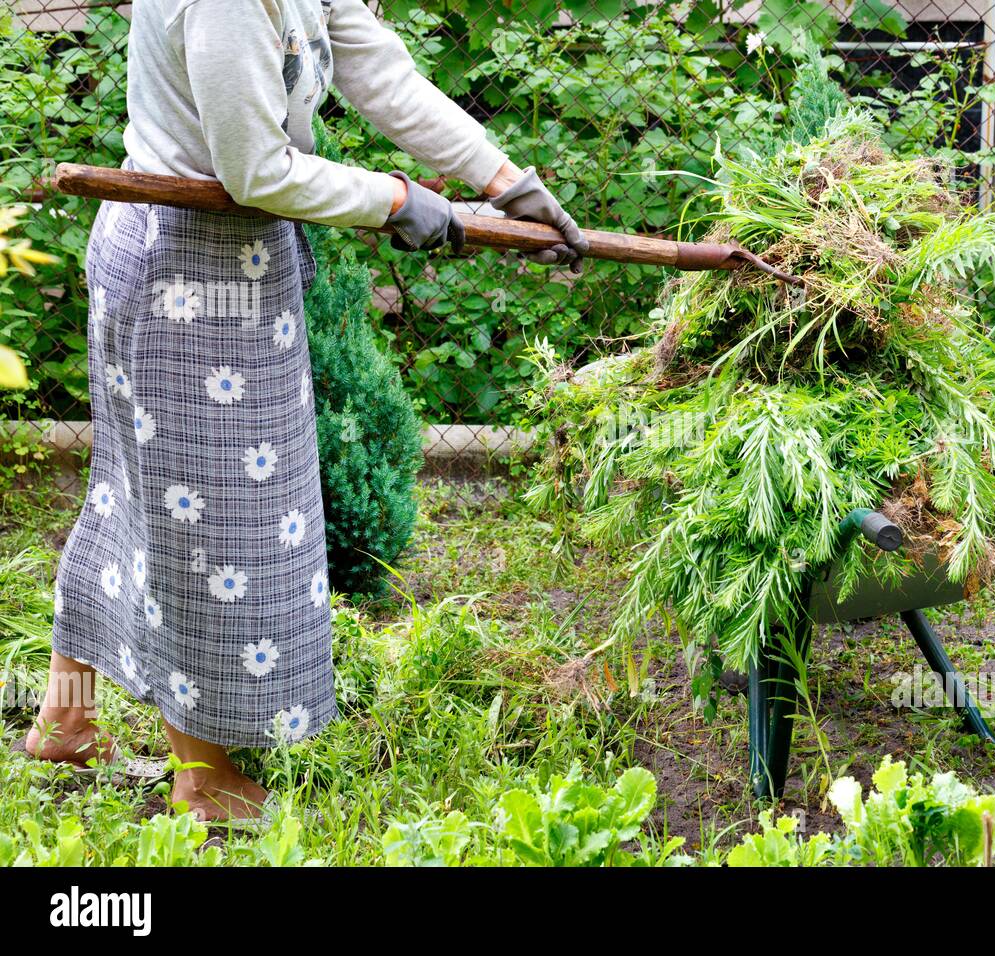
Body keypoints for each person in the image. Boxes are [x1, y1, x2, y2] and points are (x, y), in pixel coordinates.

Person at [24, 0, 586, 823]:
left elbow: (380, 73)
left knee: (129, 506)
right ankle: (203, 778)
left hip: (229, 265)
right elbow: (254, 169)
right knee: (201, 531)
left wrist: (504, 182)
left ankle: (65, 718)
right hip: (181, 271)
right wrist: (393, 200)